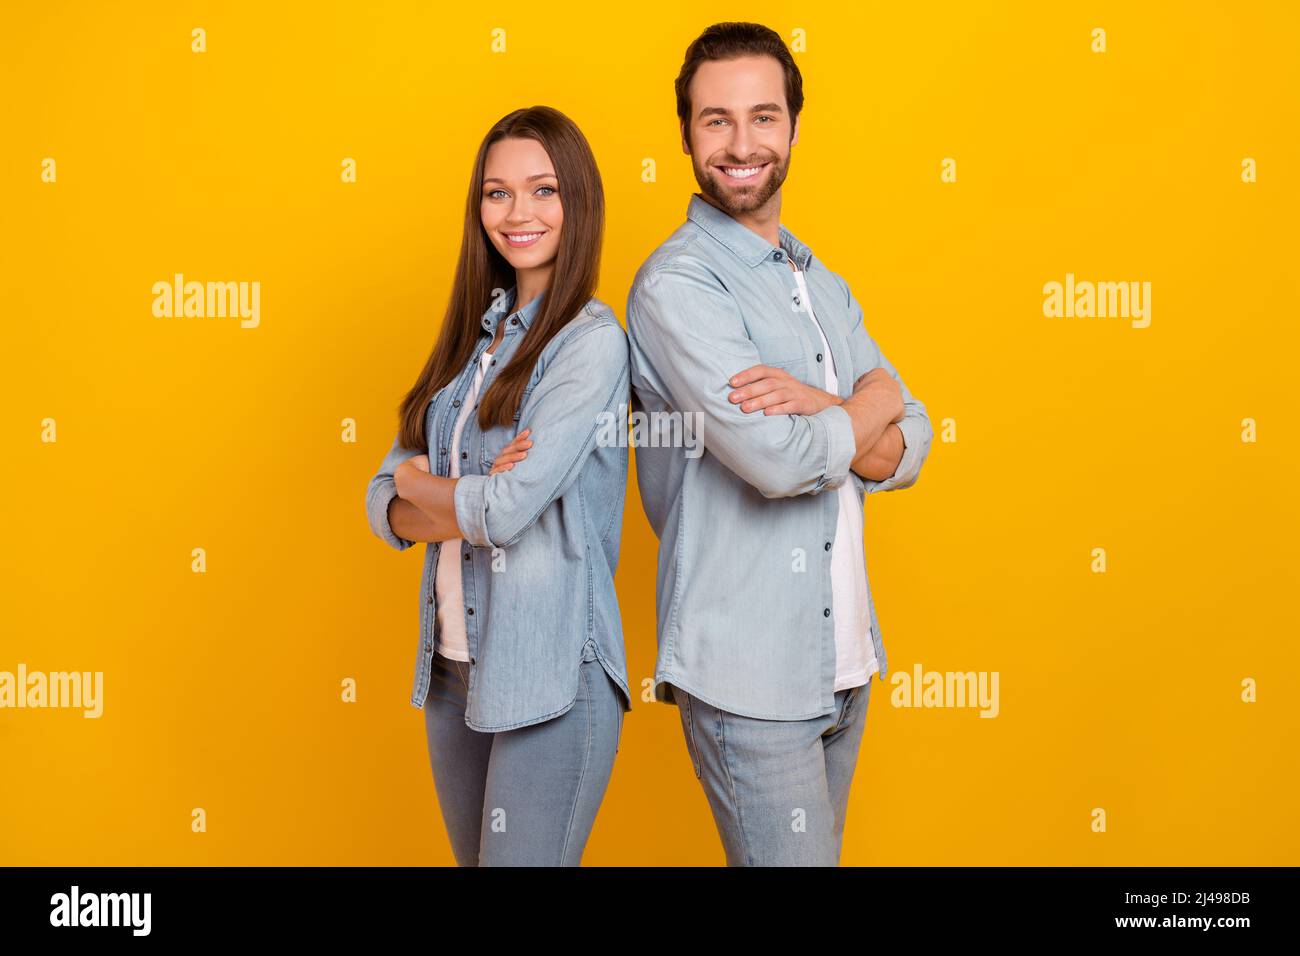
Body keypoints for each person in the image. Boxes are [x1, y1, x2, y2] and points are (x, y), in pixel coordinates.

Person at [626, 22, 933, 865]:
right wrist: (869, 400)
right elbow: (777, 462)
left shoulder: (819, 282)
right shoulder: (676, 284)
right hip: (746, 674)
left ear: (794, 128)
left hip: (841, 662)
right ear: (686, 135)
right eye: (715, 120)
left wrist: (829, 403)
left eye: (763, 117)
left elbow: (916, 438)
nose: (740, 143)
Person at [364, 105, 631, 866]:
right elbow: (382, 501)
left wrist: (431, 484)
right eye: (497, 193)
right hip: (454, 669)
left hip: (551, 673)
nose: (518, 213)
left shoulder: (589, 343)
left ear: (578, 203)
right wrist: (444, 493)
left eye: (543, 190)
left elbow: (504, 511)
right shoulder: (469, 342)